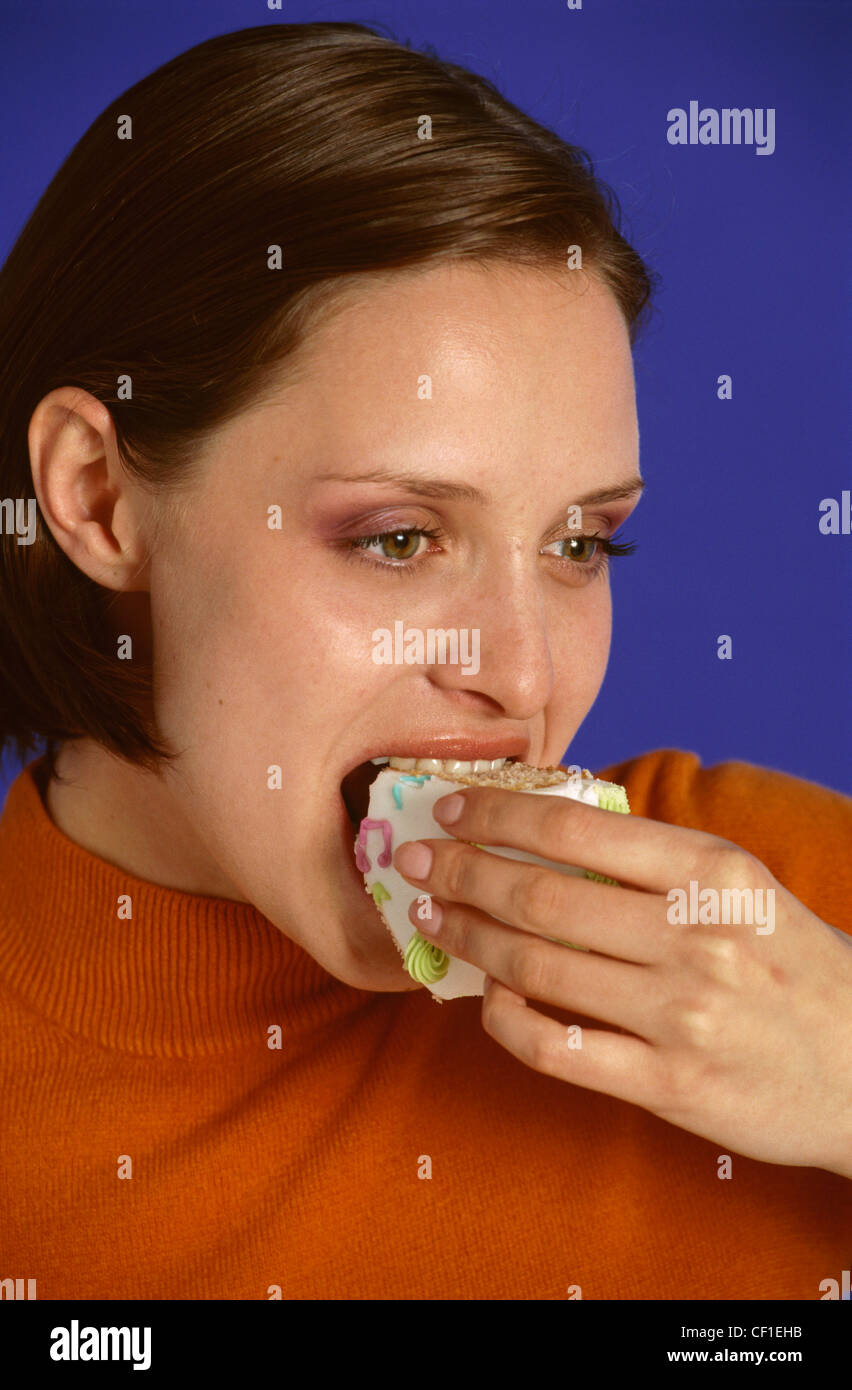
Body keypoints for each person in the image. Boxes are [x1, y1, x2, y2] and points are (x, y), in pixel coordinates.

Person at [0, 22, 849, 1301]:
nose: (523, 672)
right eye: (399, 538)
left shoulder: (781, 923)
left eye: (578, 542)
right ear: (99, 497)